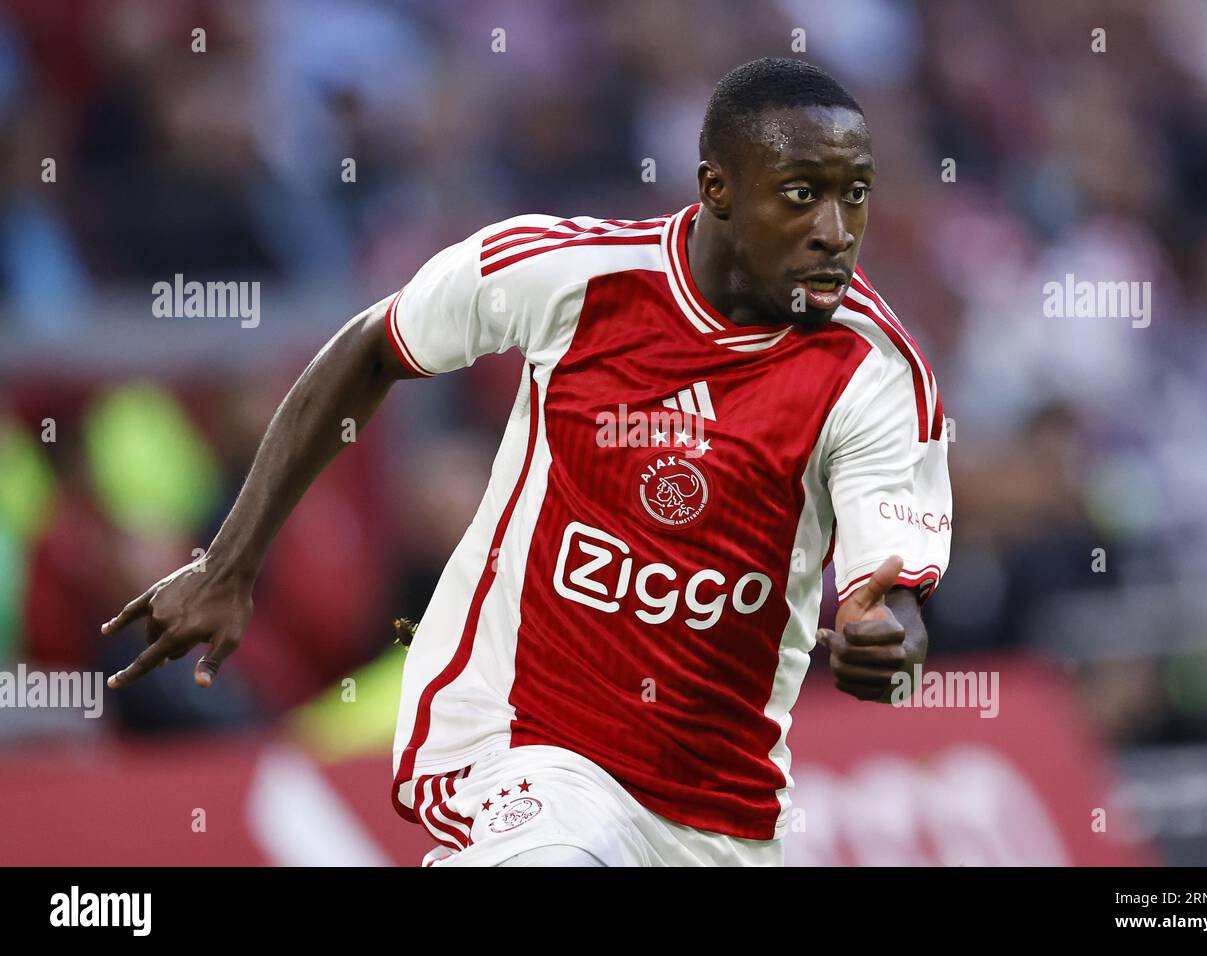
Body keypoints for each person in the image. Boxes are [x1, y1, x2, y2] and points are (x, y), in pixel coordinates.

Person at [102, 57, 952, 867]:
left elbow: (892, 596)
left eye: (856, 196)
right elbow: (372, 348)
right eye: (802, 196)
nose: (835, 233)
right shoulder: (571, 274)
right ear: (718, 190)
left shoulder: (875, 373)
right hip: (523, 735)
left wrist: (891, 640)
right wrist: (229, 563)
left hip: (719, 806)